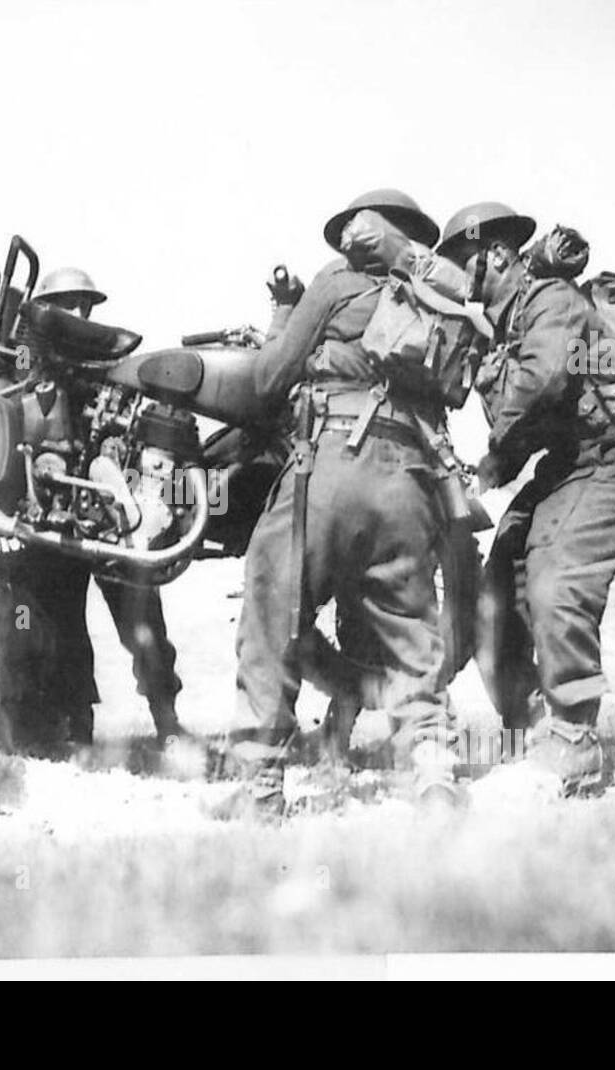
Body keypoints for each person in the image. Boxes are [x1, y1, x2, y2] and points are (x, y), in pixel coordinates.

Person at [219, 189, 459, 820]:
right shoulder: (441, 299)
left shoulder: (337, 281)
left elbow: (269, 380)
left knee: (273, 601)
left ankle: (259, 785)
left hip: (333, 467)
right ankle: (434, 775)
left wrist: (286, 317)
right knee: (410, 630)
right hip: (411, 481)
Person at [436, 201, 615, 796]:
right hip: (567, 467)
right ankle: (533, 730)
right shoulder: (508, 320)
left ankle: (576, 742)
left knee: (556, 585)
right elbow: (529, 421)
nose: (455, 273)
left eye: (462, 260)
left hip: (612, 463)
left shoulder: (550, 301)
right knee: (494, 595)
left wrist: (485, 380)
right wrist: (489, 468)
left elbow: (538, 385)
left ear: (498, 255)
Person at [16, 266, 186, 752]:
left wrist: (112, 471)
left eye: (84, 306)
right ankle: (72, 722)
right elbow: (13, 386)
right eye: (67, 305)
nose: (78, 315)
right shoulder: (29, 356)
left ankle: (166, 717)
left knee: (142, 624)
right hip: (52, 518)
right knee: (43, 620)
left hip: (109, 518)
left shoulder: (115, 369)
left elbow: (127, 431)